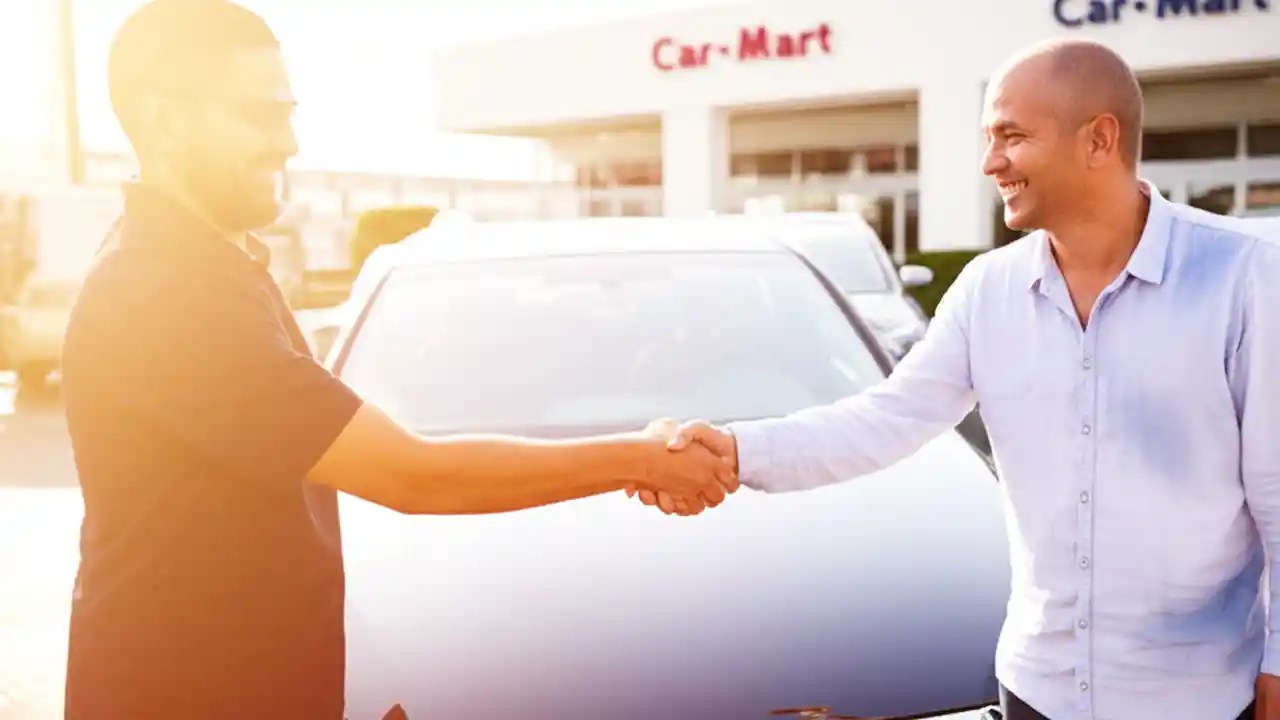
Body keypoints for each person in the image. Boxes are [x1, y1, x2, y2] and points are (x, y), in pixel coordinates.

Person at [60, 1, 734, 718]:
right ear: (165, 121)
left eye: (289, 113)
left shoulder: (214, 270)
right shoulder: (163, 292)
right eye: (261, 115)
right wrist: (640, 457)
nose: (288, 143)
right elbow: (414, 474)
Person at [640, 39, 1280, 720]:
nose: (989, 162)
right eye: (987, 137)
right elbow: (882, 420)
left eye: (1011, 135)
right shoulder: (987, 292)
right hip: (1037, 694)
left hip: (1198, 702)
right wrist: (733, 453)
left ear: (1100, 140)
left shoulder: (1244, 279)